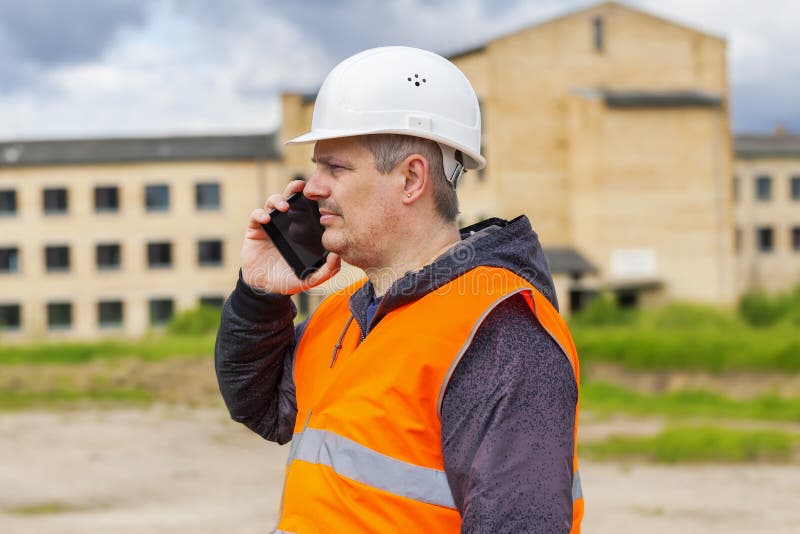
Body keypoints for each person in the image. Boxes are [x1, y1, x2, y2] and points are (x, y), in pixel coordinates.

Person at [215, 46, 583, 533]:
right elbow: (261, 407)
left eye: (336, 168)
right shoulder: (347, 311)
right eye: (316, 167)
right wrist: (260, 294)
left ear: (411, 178)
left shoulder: (500, 333)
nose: (311, 188)